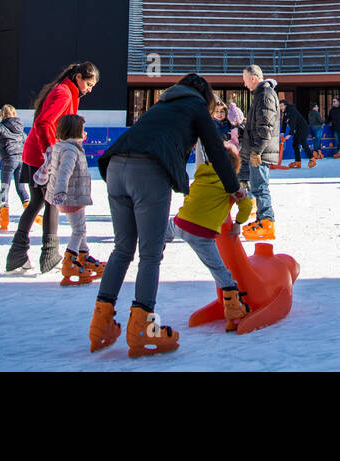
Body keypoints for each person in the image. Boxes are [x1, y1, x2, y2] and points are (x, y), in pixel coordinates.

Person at [90, 73, 246, 357]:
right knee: (150, 253)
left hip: (115, 167)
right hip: (148, 170)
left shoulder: (161, 104)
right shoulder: (196, 105)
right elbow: (215, 149)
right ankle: (142, 327)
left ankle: (100, 323)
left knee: (122, 249)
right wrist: (234, 188)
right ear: (204, 94)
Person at [5, 62, 98, 275]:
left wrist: (73, 136)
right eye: (88, 83)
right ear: (78, 77)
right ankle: (49, 254)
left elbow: (55, 124)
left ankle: (18, 253)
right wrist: (50, 151)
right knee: (51, 203)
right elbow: (44, 123)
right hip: (42, 155)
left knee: (37, 203)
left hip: (36, 152)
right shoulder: (65, 93)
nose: (89, 89)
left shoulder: (66, 90)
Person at [164, 140, 257, 331]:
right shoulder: (231, 183)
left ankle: (154, 249)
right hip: (201, 233)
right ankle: (233, 308)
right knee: (219, 269)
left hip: (180, 222)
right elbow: (247, 205)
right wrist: (238, 223)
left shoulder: (201, 174)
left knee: (164, 231)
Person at [40, 113, 105, 283]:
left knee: (79, 227)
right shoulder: (70, 150)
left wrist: (41, 176)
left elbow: (48, 166)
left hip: (70, 197)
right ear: (75, 131)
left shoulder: (60, 147)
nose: (85, 133)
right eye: (83, 130)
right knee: (79, 230)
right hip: (71, 197)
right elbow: (64, 172)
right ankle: (69, 262)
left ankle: (83, 257)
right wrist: (61, 192)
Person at [240, 65, 280, 239]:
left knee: (261, 188)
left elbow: (265, 128)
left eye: (245, 79)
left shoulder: (265, 96)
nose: (244, 84)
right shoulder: (260, 95)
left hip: (260, 153)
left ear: (254, 78)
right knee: (256, 187)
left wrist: (256, 151)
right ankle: (261, 219)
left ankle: (267, 222)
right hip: (257, 151)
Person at [281, 100, 314, 168]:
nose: (280, 108)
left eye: (281, 106)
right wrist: (282, 133)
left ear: (285, 105)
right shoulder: (285, 113)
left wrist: (290, 134)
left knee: (303, 143)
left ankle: (312, 158)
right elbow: (284, 123)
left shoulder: (292, 110)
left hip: (302, 128)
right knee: (295, 144)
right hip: (297, 129)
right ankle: (298, 161)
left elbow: (293, 122)